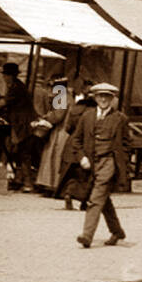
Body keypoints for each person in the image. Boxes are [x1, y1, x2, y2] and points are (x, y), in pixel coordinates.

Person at [67, 82, 129, 248]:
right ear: (94, 98)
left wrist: (120, 166)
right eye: (100, 96)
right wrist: (82, 158)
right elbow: (76, 140)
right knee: (103, 199)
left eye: (107, 96)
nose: (103, 99)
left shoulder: (120, 119)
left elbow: (125, 145)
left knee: (95, 199)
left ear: (112, 98)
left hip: (108, 162)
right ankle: (117, 231)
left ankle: (87, 236)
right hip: (91, 162)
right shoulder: (87, 116)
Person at [0, 61, 37, 192]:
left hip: (23, 124)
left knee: (24, 153)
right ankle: (20, 180)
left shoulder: (16, 87)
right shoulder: (15, 86)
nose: (4, 77)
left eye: (6, 75)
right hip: (21, 123)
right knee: (20, 153)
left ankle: (28, 183)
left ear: (11, 76)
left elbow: (6, 102)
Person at [55, 80, 96, 210]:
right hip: (85, 143)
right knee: (85, 175)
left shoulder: (61, 94)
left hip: (69, 140)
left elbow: (60, 117)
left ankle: (68, 193)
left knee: (70, 172)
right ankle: (84, 200)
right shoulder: (94, 111)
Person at [35, 75, 71, 194]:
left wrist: (45, 118)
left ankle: (52, 185)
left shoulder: (61, 95)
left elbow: (57, 115)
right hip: (64, 130)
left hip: (60, 131)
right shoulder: (68, 95)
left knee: (54, 156)